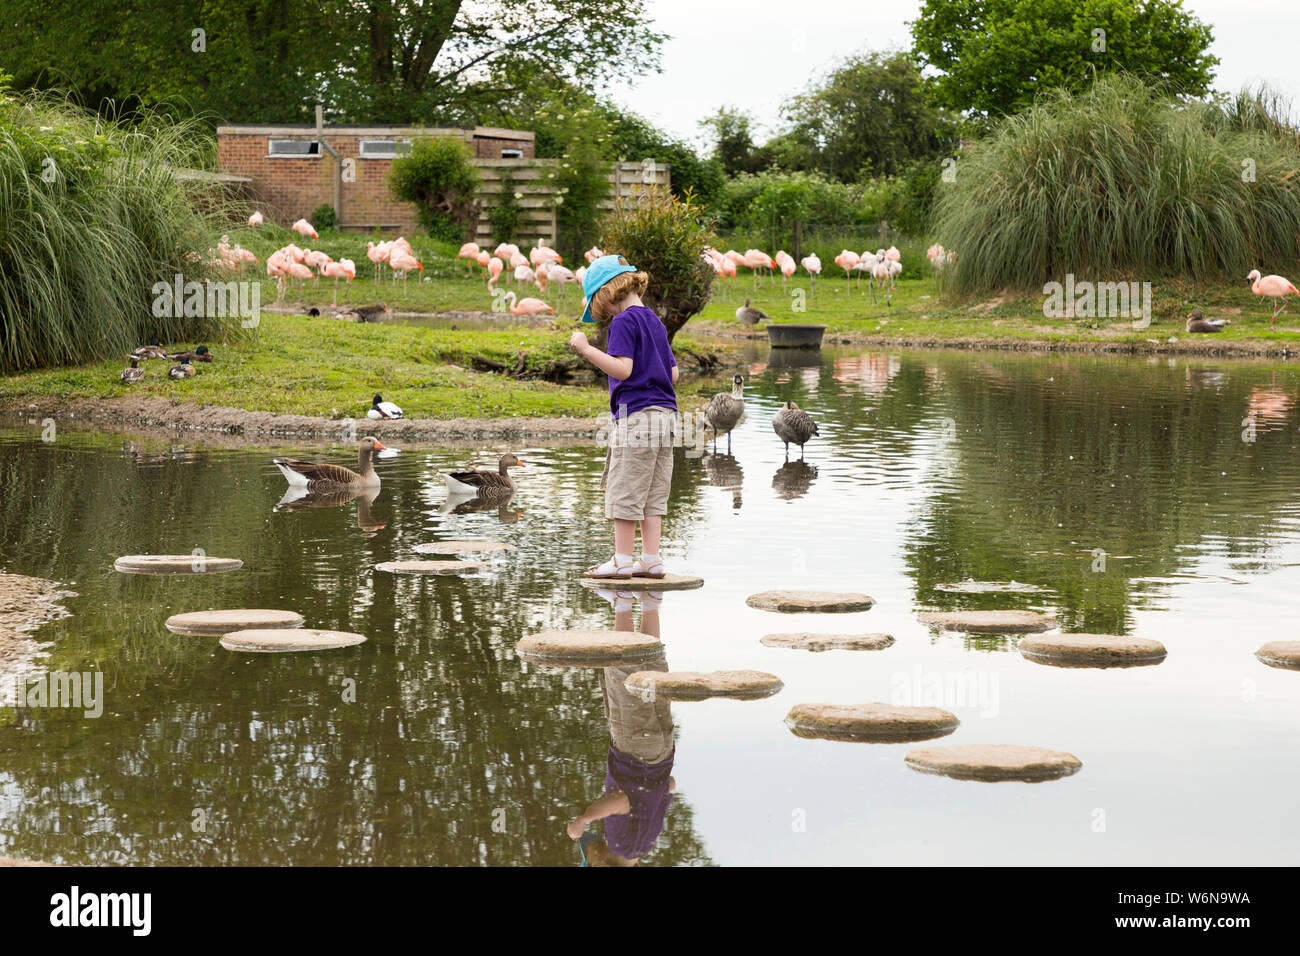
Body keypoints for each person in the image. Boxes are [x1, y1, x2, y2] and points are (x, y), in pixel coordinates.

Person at [569, 255, 678, 579]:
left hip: (637, 417)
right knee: (654, 492)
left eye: (604, 306)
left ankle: (621, 561)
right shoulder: (655, 321)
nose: (608, 314)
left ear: (607, 292)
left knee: (625, 489)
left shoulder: (623, 322)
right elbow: (672, 373)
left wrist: (587, 349)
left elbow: (623, 369)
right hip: (667, 416)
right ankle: (651, 559)